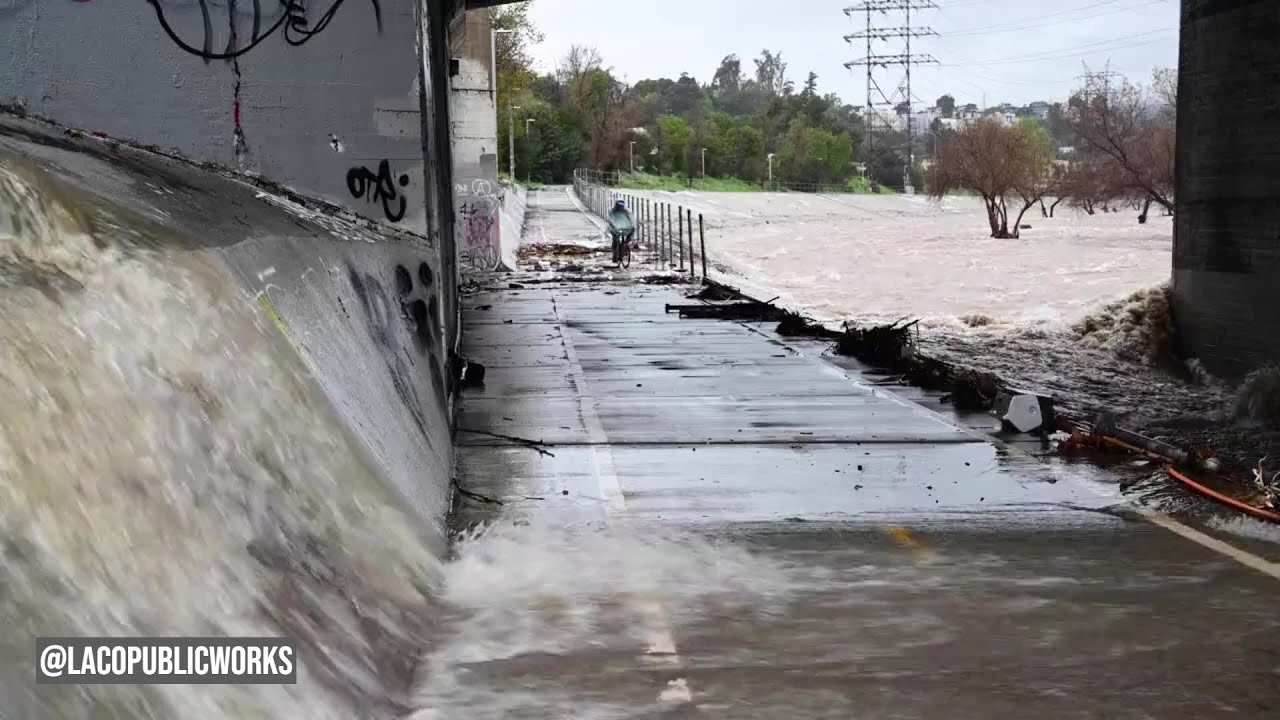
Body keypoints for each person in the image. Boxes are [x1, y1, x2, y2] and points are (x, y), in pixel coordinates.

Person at [606, 199, 635, 264]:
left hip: (626, 228)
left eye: (621, 206)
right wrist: (613, 225)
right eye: (619, 206)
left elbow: (631, 218)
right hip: (616, 228)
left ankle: (626, 244)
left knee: (632, 232)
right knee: (615, 240)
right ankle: (615, 255)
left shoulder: (626, 211)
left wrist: (632, 224)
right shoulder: (612, 211)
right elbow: (610, 219)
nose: (620, 207)